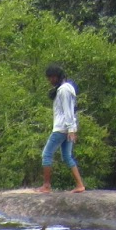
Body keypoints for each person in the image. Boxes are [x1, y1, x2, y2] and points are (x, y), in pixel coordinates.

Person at [37, 64, 86, 194]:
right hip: (68, 127)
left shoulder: (64, 90)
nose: (50, 81)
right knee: (67, 156)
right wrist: (72, 128)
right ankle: (80, 185)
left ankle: (46, 186)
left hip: (61, 128)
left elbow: (67, 110)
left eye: (51, 78)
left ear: (57, 77)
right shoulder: (66, 88)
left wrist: (71, 129)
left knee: (46, 155)